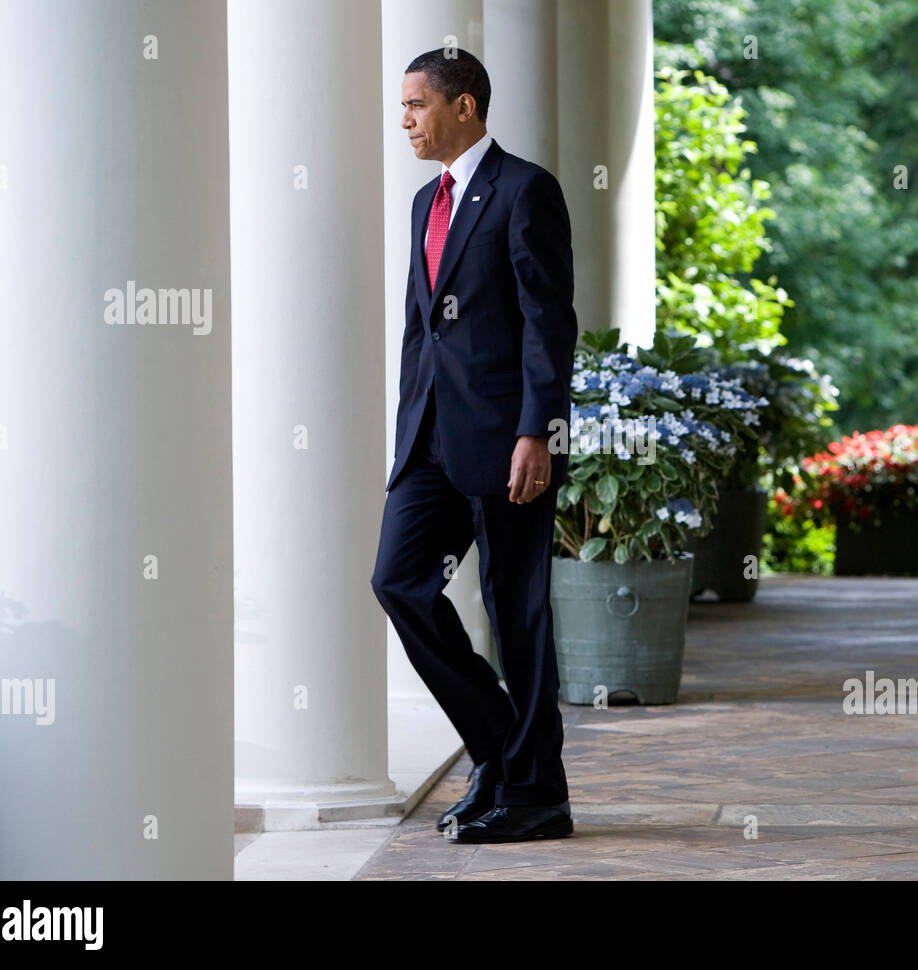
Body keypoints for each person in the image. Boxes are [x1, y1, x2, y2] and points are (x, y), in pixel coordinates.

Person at [370, 48, 578, 844]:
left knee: (515, 612)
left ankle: (535, 795)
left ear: (465, 105)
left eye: (418, 105)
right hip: (428, 439)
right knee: (399, 582)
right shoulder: (428, 199)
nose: (406, 121)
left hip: (505, 439)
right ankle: (499, 748)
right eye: (403, 107)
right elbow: (419, 332)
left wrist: (538, 431)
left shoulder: (526, 191)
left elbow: (548, 323)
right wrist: (405, 430)